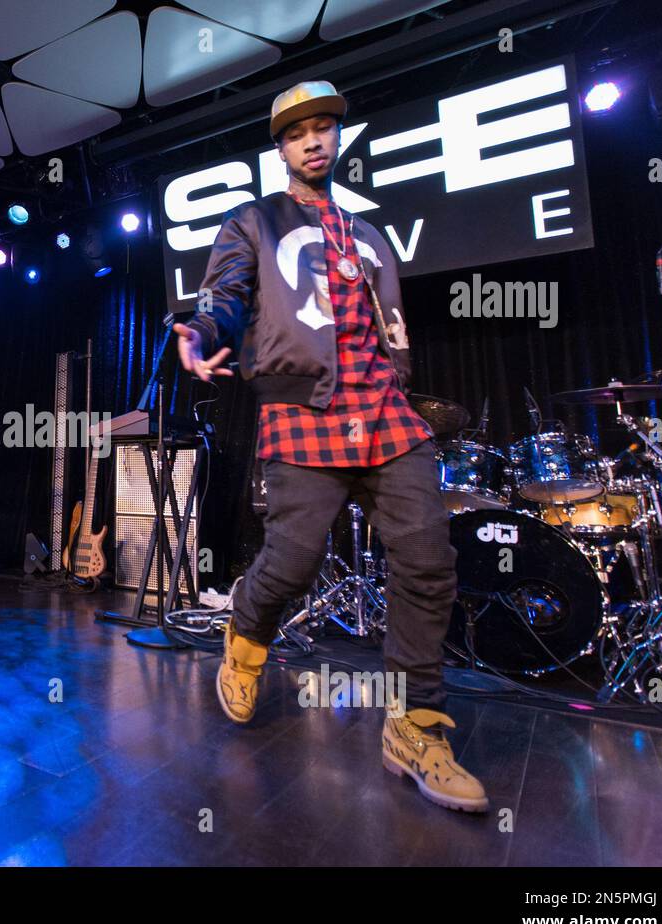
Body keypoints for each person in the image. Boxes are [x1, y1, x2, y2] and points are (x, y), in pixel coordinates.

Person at [175, 81, 487, 812]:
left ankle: (414, 726)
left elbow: (391, 327)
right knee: (294, 559)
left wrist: (400, 381)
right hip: (302, 409)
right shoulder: (253, 219)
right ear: (280, 147)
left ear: (337, 139)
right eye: (297, 133)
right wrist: (204, 332)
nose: (314, 141)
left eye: (324, 129)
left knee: (428, 559)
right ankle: (246, 636)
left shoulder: (372, 235)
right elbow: (224, 297)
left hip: (383, 409)